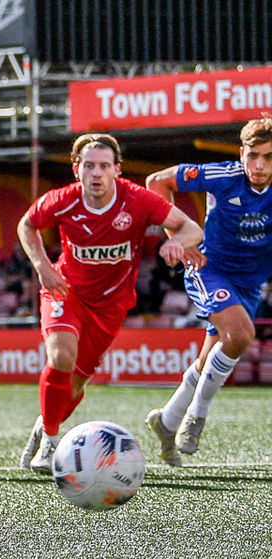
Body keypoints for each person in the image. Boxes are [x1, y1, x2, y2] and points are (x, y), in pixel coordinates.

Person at [16, 133, 205, 474]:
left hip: (111, 306)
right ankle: (51, 442)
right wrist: (43, 268)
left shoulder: (138, 201)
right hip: (66, 291)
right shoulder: (62, 200)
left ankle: (43, 427)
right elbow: (26, 225)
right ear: (77, 170)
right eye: (89, 166)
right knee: (60, 356)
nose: (96, 173)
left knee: (74, 384)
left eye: (104, 166)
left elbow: (191, 228)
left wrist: (175, 243)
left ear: (117, 170)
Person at [144, 117, 272, 466]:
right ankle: (195, 418)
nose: (259, 165)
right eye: (253, 156)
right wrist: (179, 240)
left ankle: (167, 421)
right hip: (209, 269)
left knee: (210, 356)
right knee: (241, 334)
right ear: (242, 153)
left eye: (269, 157)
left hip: (250, 282)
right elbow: (157, 182)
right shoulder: (222, 175)